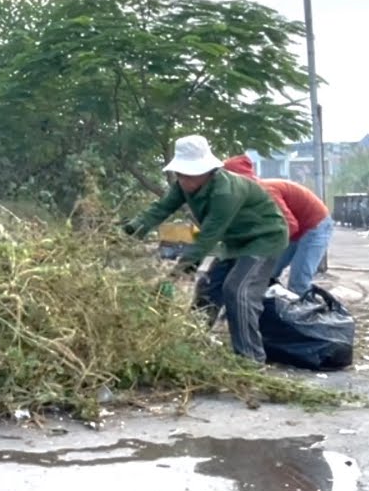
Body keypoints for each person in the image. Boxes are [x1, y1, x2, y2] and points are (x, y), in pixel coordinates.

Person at [123, 135, 288, 364]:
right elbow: (160, 209)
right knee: (209, 289)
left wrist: (182, 268)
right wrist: (129, 231)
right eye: (180, 174)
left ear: (207, 171)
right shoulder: (183, 186)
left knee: (237, 290)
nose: (184, 180)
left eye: (189, 175)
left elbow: (209, 235)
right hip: (234, 242)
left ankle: (250, 359)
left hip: (264, 239)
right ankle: (193, 347)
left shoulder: (226, 192)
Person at [221, 155, 334, 296]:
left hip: (315, 225)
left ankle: (302, 307)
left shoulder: (266, 192)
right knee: (267, 272)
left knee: (298, 281)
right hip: (294, 230)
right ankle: (269, 304)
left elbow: (290, 225)